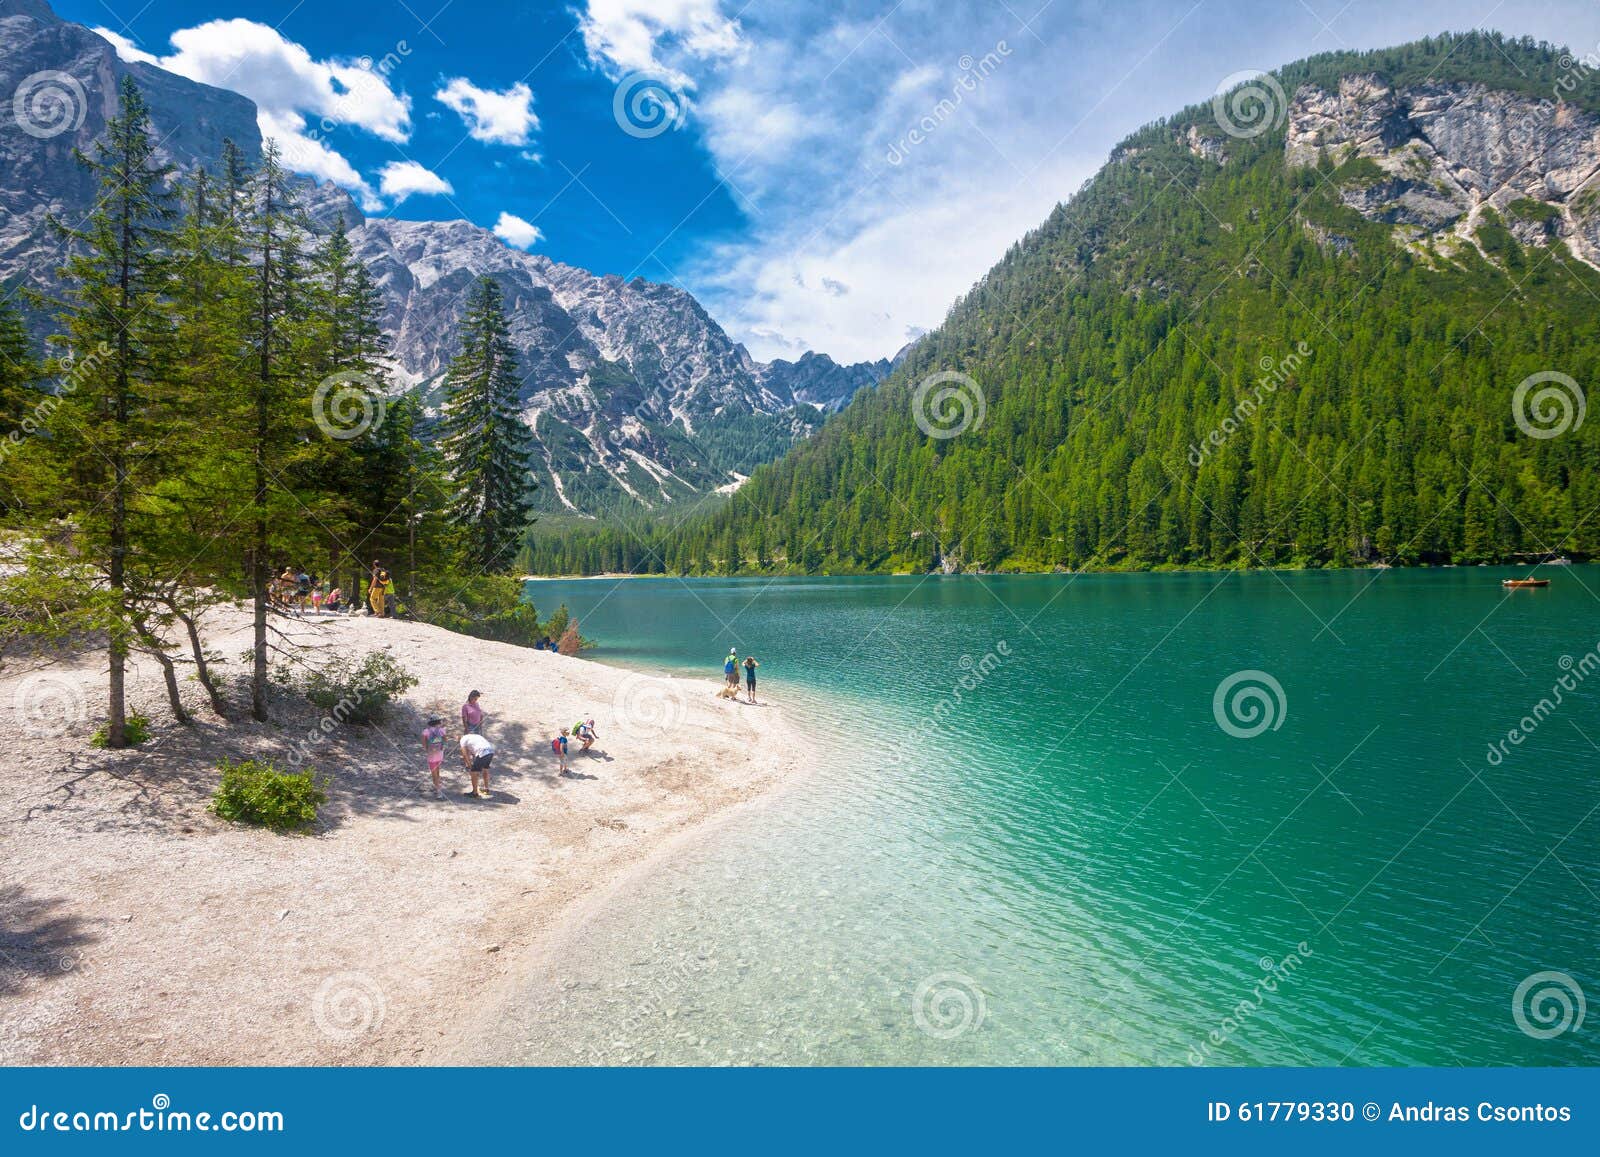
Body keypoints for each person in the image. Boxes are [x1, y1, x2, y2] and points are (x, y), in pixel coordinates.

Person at [459, 731, 494, 797]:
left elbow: (464, 754)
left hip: (482, 752)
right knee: (485, 769)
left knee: (473, 772)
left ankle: (474, 793)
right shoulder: (475, 736)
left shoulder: (462, 740)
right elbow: (473, 751)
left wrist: (469, 766)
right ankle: (486, 789)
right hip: (490, 751)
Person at [421, 715, 448, 798]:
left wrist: (427, 750)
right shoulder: (442, 730)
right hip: (440, 753)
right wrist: (443, 748)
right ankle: (436, 786)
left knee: (433, 772)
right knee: (437, 770)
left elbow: (424, 744)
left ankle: (438, 791)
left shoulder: (425, 731)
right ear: (438, 722)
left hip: (431, 754)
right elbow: (445, 740)